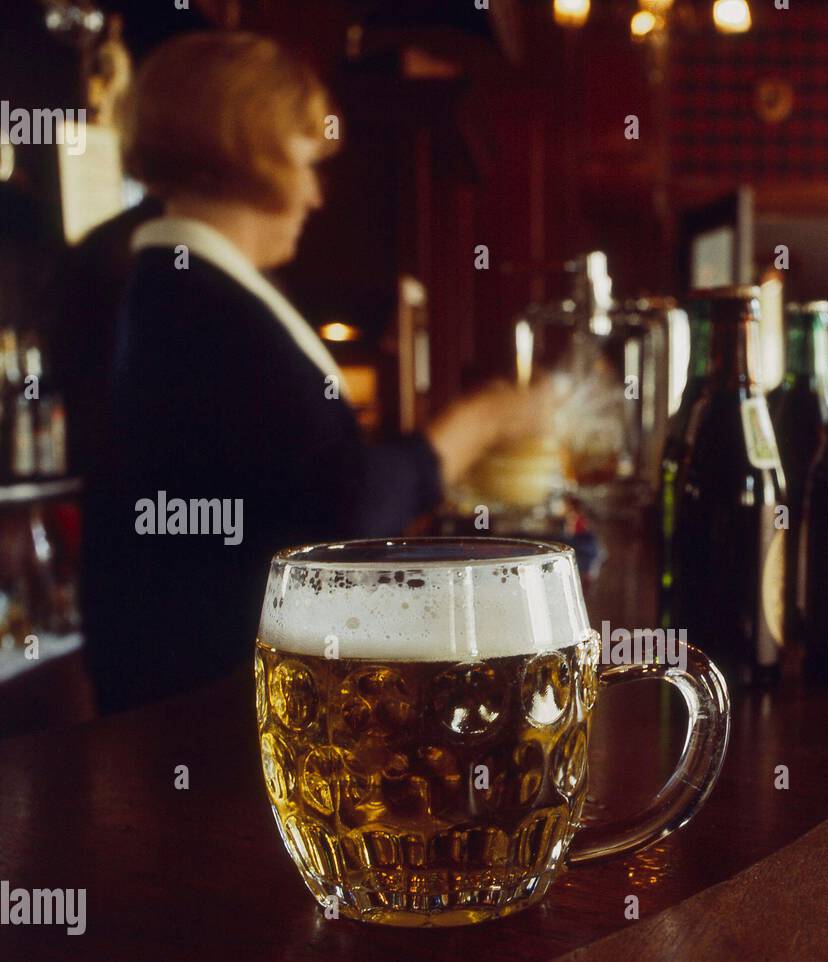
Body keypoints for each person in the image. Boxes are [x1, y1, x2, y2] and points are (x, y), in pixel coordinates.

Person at [81, 33, 547, 714]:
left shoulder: (183, 286)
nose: (315, 195)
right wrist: (478, 424)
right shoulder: (199, 303)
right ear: (249, 154)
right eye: (305, 162)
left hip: (200, 693)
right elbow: (337, 521)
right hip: (205, 710)